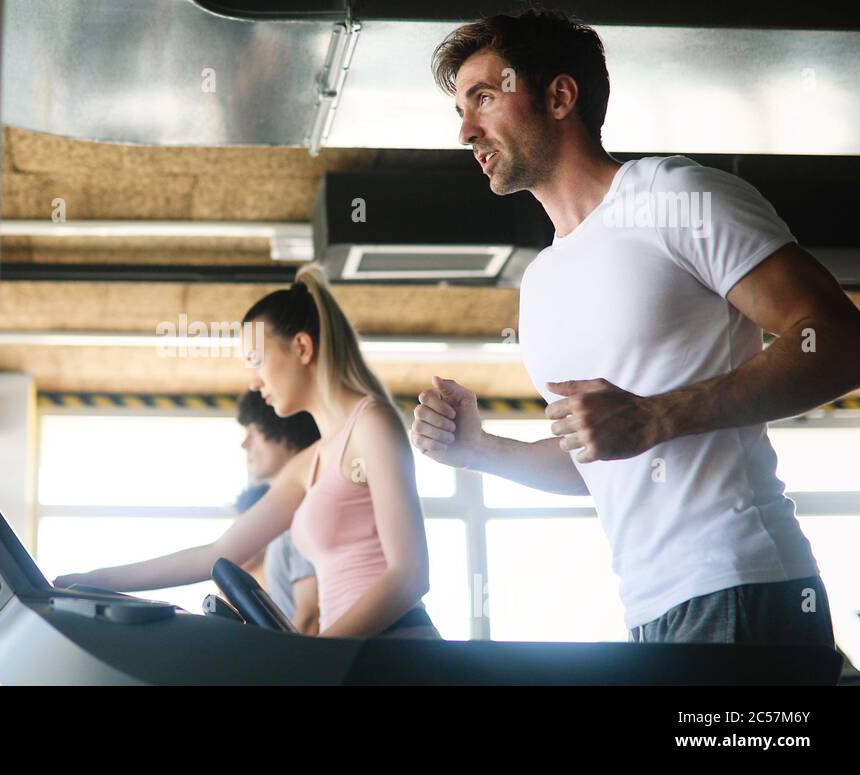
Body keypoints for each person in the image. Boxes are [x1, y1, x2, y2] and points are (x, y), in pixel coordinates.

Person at [414, 8, 860, 645]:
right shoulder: (541, 282)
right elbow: (601, 457)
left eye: (484, 97)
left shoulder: (671, 196)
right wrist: (478, 450)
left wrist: (656, 416)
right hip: (650, 612)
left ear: (559, 96)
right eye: (461, 108)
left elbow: (838, 339)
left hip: (743, 585)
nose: (465, 131)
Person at [55, 264, 439, 638]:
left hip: (398, 650)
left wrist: (322, 658)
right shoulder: (308, 465)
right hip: (352, 659)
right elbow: (217, 553)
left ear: (302, 347)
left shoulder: (372, 423)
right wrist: (93, 581)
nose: (254, 382)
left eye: (257, 361)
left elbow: (410, 576)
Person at [232, 390, 321, 635]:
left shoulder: (302, 511)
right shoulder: (290, 516)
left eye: (254, 432)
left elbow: (310, 618)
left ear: (285, 436)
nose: (245, 443)